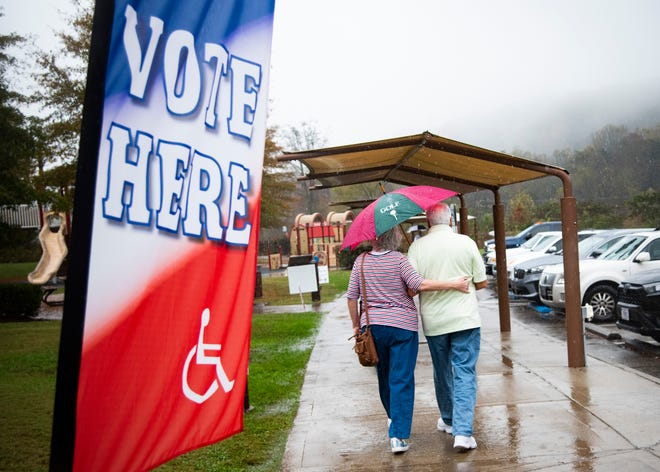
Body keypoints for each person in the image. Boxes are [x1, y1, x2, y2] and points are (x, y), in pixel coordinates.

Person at [346, 227, 469, 454]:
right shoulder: (399, 261)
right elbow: (419, 285)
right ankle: (398, 436)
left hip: (373, 328)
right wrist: (454, 284)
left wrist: (356, 324)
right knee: (401, 379)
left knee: (384, 377)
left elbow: (352, 297)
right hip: (402, 328)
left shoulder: (360, 262)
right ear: (393, 237)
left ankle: (395, 418)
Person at [407, 202, 488, 453]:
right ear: (450, 220)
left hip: (435, 321)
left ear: (429, 222)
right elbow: (482, 282)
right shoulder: (466, 243)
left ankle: (450, 419)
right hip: (465, 318)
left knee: (442, 370)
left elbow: (412, 287)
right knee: (464, 371)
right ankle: (463, 433)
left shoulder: (416, 247)